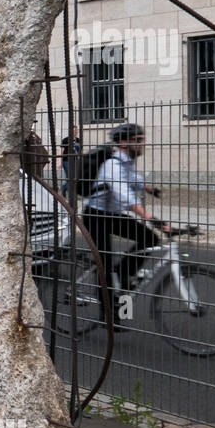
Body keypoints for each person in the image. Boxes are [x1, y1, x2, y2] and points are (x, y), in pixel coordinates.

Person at [82, 122, 168, 298]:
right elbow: (124, 195)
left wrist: (148, 188)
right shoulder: (113, 165)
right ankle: (108, 313)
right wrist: (148, 216)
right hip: (95, 216)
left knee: (149, 238)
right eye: (137, 140)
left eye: (142, 139)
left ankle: (122, 273)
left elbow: (132, 179)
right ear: (123, 143)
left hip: (111, 215)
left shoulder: (126, 161)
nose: (141, 144)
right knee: (103, 264)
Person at [59, 125, 81, 196]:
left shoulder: (78, 140)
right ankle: (72, 194)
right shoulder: (65, 140)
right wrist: (60, 162)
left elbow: (80, 151)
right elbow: (61, 151)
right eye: (73, 131)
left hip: (75, 161)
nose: (75, 132)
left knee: (75, 178)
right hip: (66, 161)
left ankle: (64, 188)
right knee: (70, 177)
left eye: (76, 131)